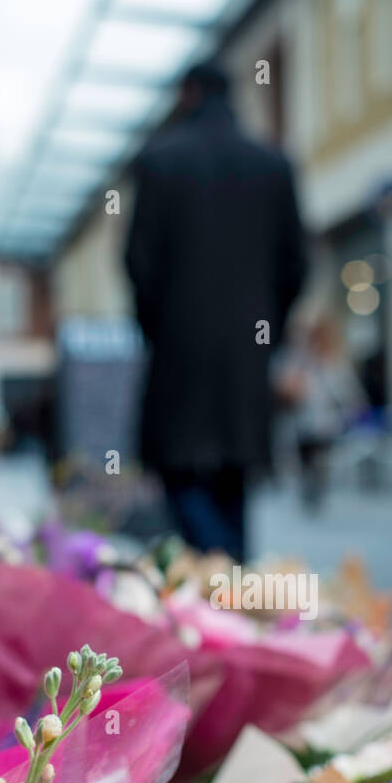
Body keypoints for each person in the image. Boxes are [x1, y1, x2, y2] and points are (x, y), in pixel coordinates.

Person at [125, 61, 307, 560]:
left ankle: (216, 575)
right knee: (235, 477)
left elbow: (140, 262)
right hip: (249, 352)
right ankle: (232, 586)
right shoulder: (273, 164)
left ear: (187, 94)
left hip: (179, 350)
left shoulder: (161, 161)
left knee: (182, 472)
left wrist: (155, 327)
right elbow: (296, 264)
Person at [274, 312, 367, 509]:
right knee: (306, 460)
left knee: (320, 459)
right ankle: (309, 493)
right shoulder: (296, 361)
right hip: (302, 423)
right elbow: (284, 387)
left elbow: (347, 392)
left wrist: (352, 410)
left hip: (325, 423)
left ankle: (316, 492)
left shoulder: (332, 364)